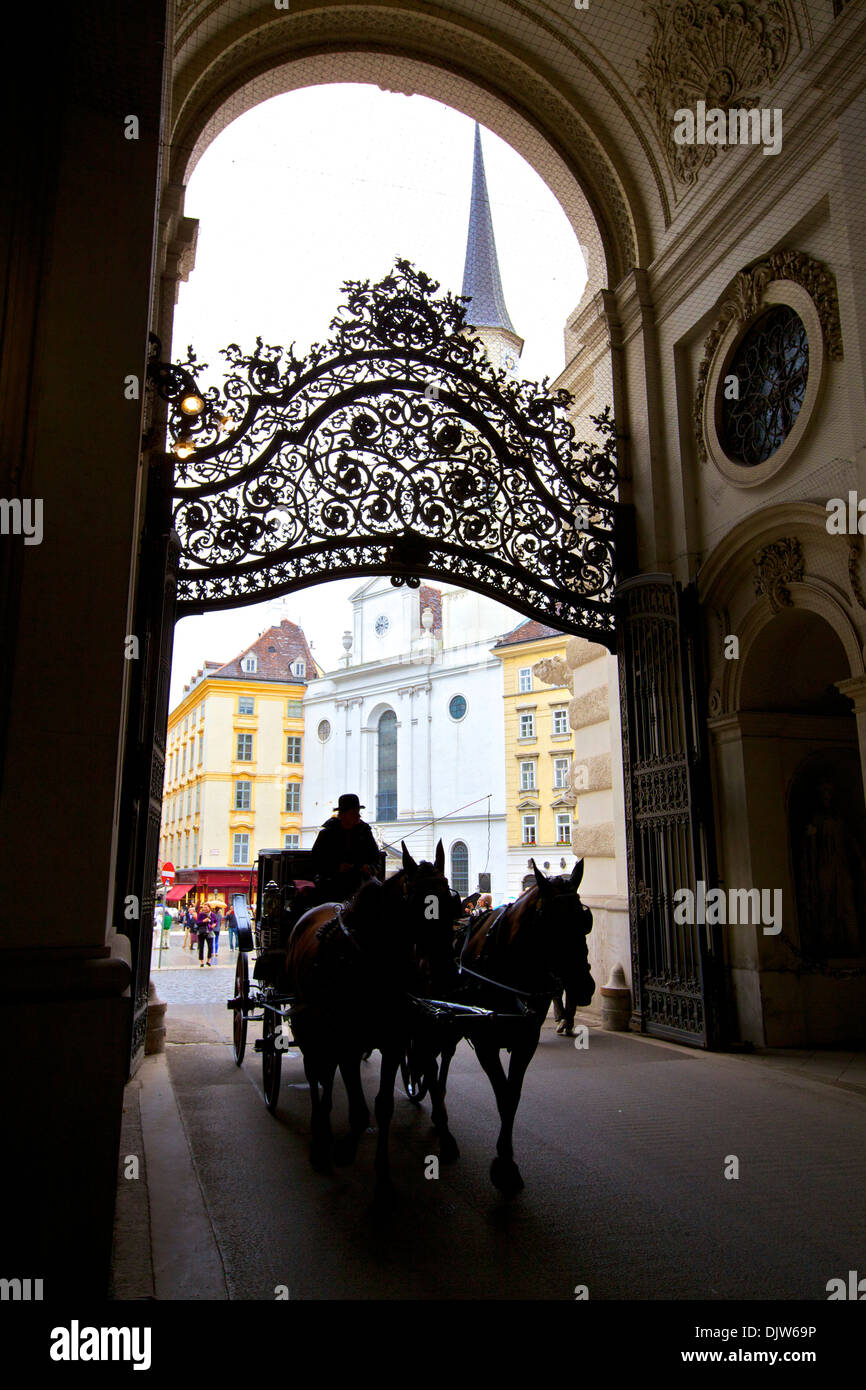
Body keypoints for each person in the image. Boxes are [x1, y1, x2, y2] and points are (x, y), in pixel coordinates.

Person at [311, 793, 383, 902]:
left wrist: (369, 868)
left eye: (358, 812)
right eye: (353, 813)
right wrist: (337, 868)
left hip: (361, 883)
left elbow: (376, 859)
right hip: (332, 884)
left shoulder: (365, 833)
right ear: (342, 815)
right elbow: (316, 862)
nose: (358, 816)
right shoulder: (327, 834)